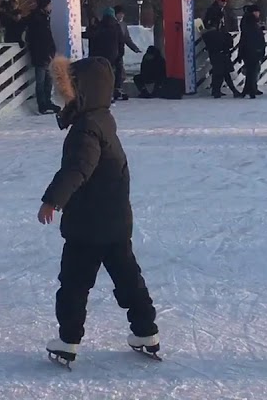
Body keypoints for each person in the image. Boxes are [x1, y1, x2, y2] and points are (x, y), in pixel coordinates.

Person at [40, 56, 160, 365]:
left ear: (83, 92)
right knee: (128, 279)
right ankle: (146, 331)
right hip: (114, 222)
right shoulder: (102, 119)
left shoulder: (86, 129)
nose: (63, 97)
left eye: (68, 90)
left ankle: (68, 340)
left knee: (74, 285)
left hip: (87, 225)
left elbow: (77, 169)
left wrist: (53, 199)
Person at [23, 0, 60, 115]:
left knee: (48, 79)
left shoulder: (44, 18)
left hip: (46, 53)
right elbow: (40, 38)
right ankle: (42, 104)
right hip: (41, 54)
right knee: (41, 80)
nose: (51, 7)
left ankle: (47, 101)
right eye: (49, 5)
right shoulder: (37, 19)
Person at [202, 20, 241, 99]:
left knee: (219, 73)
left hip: (214, 56)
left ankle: (217, 90)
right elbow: (229, 44)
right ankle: (230, 91)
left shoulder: (206, 35)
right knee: (224, 74)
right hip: (223, 55)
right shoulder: (222, 34)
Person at [112, 6, 143, 99]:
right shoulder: (111, 24)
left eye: (123, 14)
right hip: (111, 51)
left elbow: (127, 39)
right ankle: (114, 90)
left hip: (120, 52)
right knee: (114, 72)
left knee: (120, 73)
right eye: (120, 13)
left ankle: (118, 89)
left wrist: (135, 48)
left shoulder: (123, 25)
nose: (121, 15)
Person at [237, 5, 266, 98]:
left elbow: (243, 38)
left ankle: (248, 89)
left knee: (250, 71)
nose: (259, 14)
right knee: (252, 71)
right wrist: (260, 49)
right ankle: (252, 90)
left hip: (247, 50)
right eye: (257, 12)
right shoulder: (252, 24)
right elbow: (255, 38)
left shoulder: (246, 22)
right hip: (253, 50)